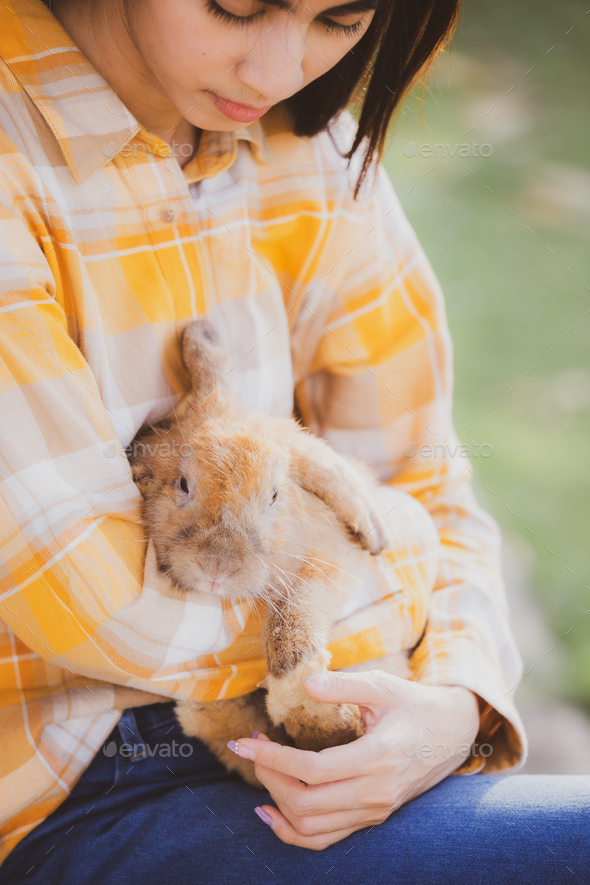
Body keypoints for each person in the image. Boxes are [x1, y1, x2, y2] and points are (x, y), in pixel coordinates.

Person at [0, 0, 588, 882]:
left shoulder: (309, 149)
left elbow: (426, 473)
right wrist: (367, 580)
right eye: (236, 8)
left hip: (346, 723)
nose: (278, 74)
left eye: (342, 20)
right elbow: (91, 596)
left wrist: (456, 706)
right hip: (92, 784)